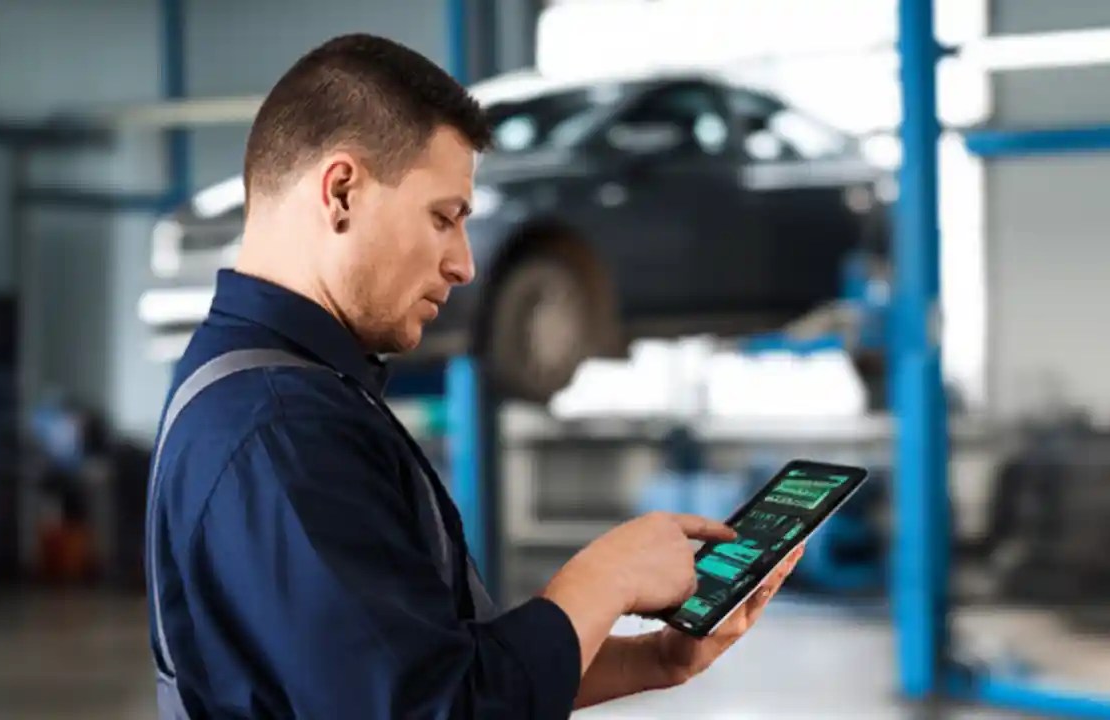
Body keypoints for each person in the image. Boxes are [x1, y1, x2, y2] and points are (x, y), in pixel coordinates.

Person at [146, 33, 803, 719]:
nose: (464, 264)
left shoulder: (268, 391)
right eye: (443, 218)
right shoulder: (282, 427)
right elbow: (431, 710)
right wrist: (602, 580)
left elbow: (423, 666)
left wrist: (651, 661)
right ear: (341, 192)